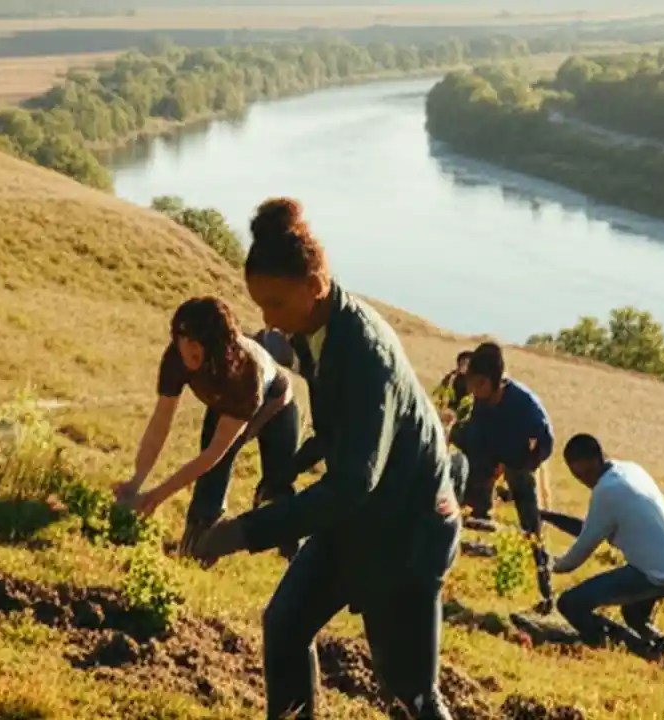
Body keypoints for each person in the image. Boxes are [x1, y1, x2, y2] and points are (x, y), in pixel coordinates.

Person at [187, 197, 460, 719]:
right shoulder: (315, 329)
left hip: (409, 527)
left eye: (276, 303)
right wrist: (287, 472)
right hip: (356, 516)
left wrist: (243, 532)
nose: (267, 320)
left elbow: (355, 482)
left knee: (411, 692)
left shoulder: (365, 354)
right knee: (286, 623)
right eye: (259, 304)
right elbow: (341, 429)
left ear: (315, 284)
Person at [113, 297, 300, 557]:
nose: (189, 347)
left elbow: (213, 453)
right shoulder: (176, 358)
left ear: (217, 348)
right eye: (183, 338)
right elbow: (161, 421)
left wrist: (157, 495)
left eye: (197, 344)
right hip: (224, 402)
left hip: (277, 407)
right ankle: (196, 544)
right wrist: (137, 480)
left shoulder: (244, 377)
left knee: (275, 488)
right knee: (213, 475)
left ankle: (291, 555)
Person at [552, 435, 664, 661]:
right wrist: (546, 516)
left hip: (652, 574)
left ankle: (635, 648)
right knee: (634, 615)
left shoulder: (607, 491)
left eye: (586, 473)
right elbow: (591, 529)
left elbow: (583, 548)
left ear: (599, 459)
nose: (585, 481)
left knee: (570, 603)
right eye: (578, 476)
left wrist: (554, 565)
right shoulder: (629, 470)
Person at [460, 342, 555, 612]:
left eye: (479, 384)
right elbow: (477, 432)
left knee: (532, 530)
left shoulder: (525, 405)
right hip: (490, 461)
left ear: (495, 381)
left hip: (521, 466)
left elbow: (547, 440)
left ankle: (547, 593)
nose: (473, 391)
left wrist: (526, 464)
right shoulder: (480, 402)